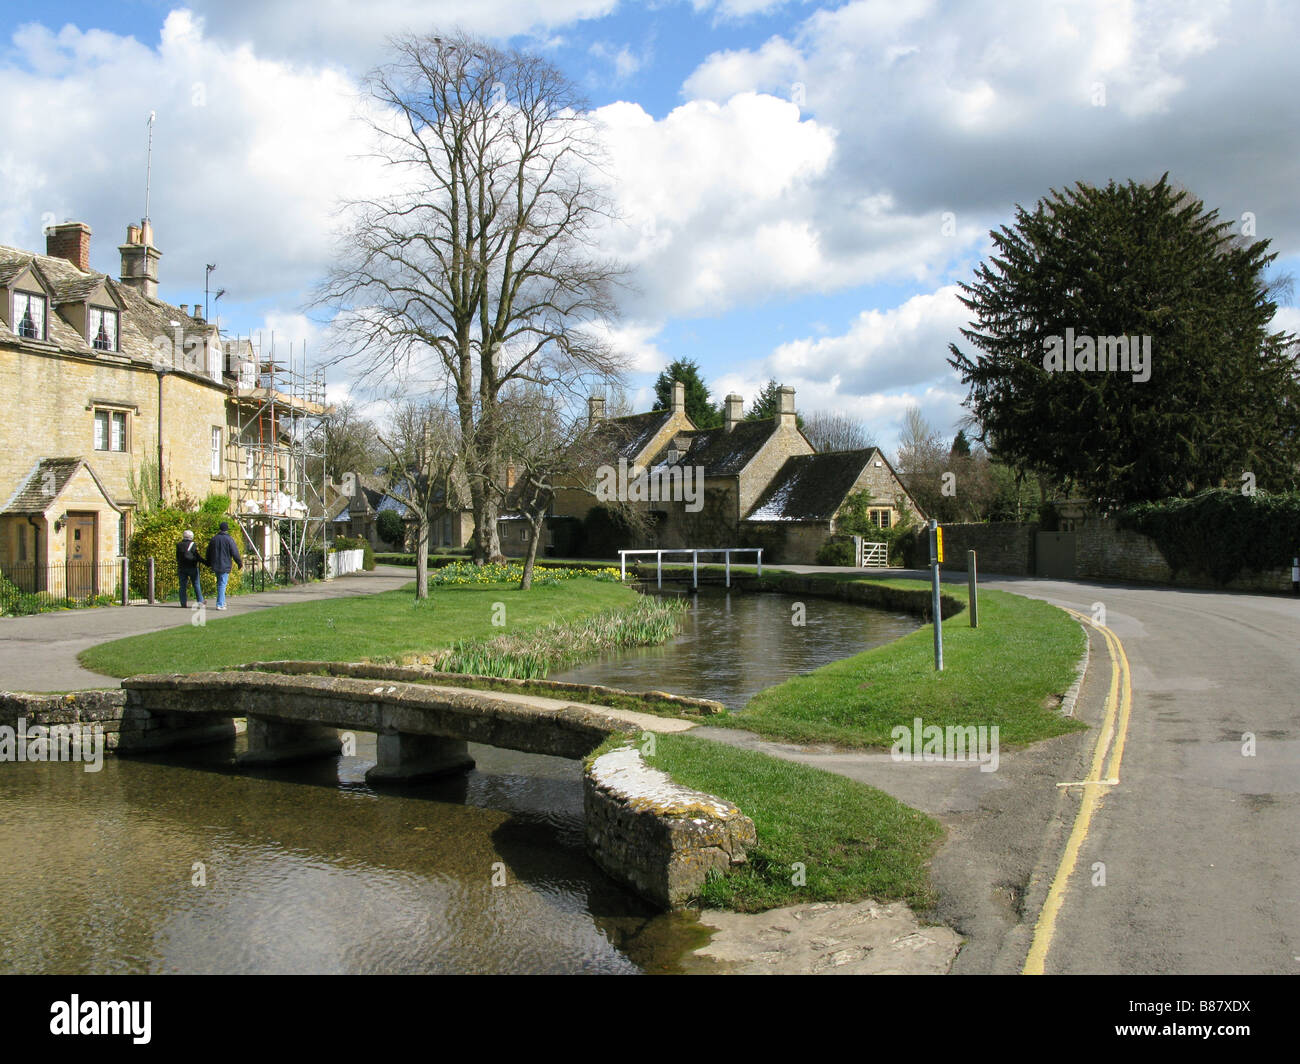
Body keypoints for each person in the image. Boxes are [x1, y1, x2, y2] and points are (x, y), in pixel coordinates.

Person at [204, 520, 243, 610]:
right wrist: (239, 562)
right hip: (225, 564)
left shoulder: (214, 539)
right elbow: (235, 552)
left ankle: (222, 601)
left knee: (220, 583)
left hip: (215, 564)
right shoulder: (229, 539)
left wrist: (208, 562)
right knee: (222, 584)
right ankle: (220, 604)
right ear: (226, 530)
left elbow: (208, 552)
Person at [176, 530, 203, 609]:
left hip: (182, 567)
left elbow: (177, 557)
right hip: (192, 567)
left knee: (182, 586)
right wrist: (205, 562)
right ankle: (200, 602)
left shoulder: (179, 544)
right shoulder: (192, 544)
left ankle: (183, 603)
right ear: (191, 537)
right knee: (196, 585)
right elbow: (196, 555)